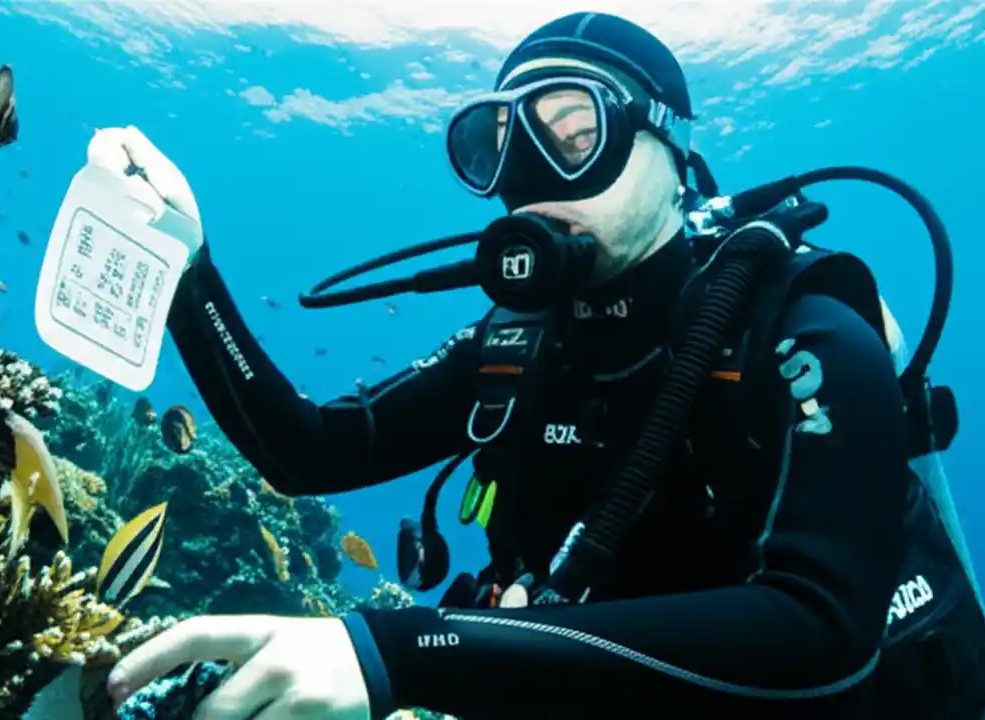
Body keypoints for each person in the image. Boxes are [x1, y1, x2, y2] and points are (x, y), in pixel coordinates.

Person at [98, 11, 985, 719]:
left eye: (570, 132)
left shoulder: (801, 322)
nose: (529, 179)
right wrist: (187, 273)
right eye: (499, 146)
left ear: (672, 152)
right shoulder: (520, 344)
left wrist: (397, 653)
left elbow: (822, 631)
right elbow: (314, 451)